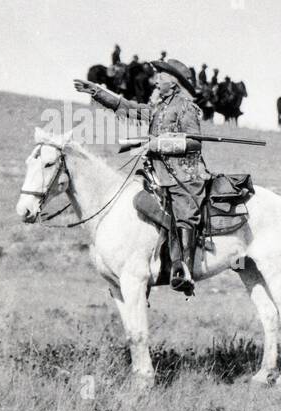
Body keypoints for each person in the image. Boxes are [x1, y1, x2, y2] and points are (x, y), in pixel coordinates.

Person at [74, 58, 208, 295]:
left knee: (183, 213)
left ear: (173, 83)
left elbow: (194, 142)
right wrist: (96, 92)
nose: (156, 81)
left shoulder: (186, 108)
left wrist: (159, 144)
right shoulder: (158, 108)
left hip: (182, 176)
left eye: (161, 77)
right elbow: (127, 107)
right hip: (158, 174)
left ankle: (183, 269)